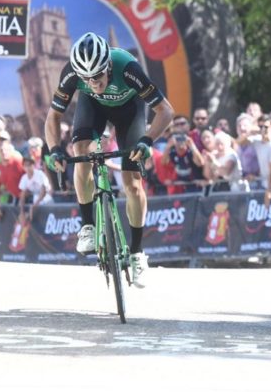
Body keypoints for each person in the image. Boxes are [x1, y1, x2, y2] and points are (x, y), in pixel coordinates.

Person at [44, 32, 174, 286]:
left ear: (108, 67)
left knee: (133, 181)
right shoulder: (71, 73)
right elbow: (53, 118)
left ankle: (136, 252)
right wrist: (54, 149)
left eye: (97, 76)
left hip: (130, 110)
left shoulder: (128, 68)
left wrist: (147, 141)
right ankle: (89, 226)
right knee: (80, 152)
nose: (93, 82)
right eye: (86, 78)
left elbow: (165, 111)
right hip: (93, 108)